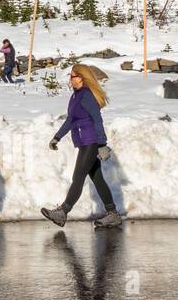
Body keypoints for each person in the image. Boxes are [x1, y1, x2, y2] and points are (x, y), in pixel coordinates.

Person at [41, 64, 121, 228]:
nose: (70, 79)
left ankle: (63, 212)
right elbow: (71, 120)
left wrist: (102, 144)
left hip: (91, 142)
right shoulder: (75, 96)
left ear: (81, 78)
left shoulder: (86, 95)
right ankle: (112, 214)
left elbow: (97, 119)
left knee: (78, 178)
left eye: (73, 76)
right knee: (97, 179)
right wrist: (57, 137)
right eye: (70, 76)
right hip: (84, 142)